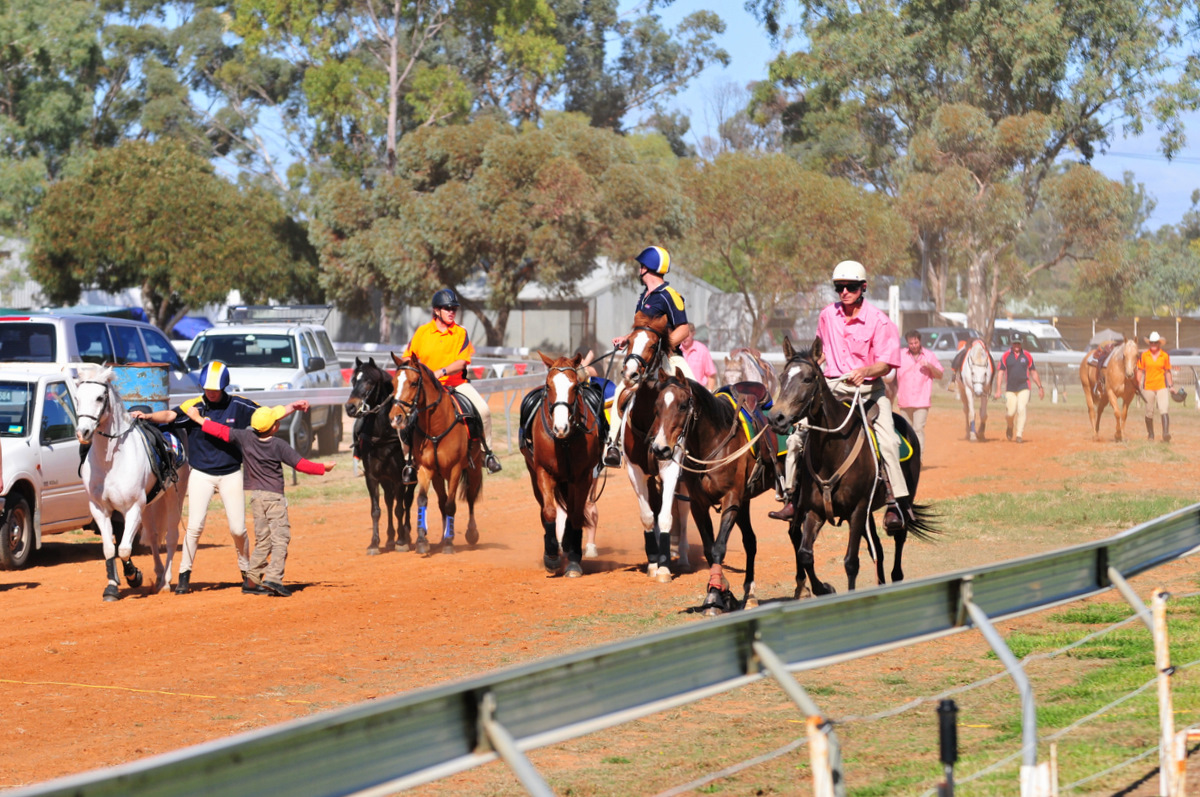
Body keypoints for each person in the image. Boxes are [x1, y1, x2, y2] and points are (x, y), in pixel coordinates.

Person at [770, 260, 910, 534]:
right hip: (833, 387)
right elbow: (820, 352)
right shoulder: (827, 315)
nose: (844, 292)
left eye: (851, 287)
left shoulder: (880, 321)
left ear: (863, 288)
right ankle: (792, 496)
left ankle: (894, 502)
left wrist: (865, 370)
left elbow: (887, 362)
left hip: (868, 390)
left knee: (889, 441)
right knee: (798, 437)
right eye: (839, 287)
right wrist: (808, 365)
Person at [131, 361, 260, 594]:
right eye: (207, 388)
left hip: (231, 473)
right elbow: (170, 415)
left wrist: (288, 409)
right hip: (201, 474)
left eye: (215, 388)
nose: (210, 392)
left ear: (224, 387)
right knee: (194, 527)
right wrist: (148, 416)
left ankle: (247, 571)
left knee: (238, 529)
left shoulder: (239, 406)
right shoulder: (194, 407)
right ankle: (183, 575)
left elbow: (264, 415)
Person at [182, 401, 335, 596]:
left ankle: (252, 580)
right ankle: (273, 578)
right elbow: (301, 465)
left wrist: (197, 419)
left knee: (263, 540)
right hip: (274, 498)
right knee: (280, 539)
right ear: (274, 427)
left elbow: (220, 430)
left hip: (256, 498)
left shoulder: (245, 437)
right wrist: (324, 468)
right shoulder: (279, 445)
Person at [603, 245, 694, 467]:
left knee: (698, 390)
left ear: (646, 268)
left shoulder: (670, 296)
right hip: (646, 361)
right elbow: (643, 331)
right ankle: (613, 444)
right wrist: (627, 339)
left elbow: (683, 329)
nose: (639, 269)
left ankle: (698, 446)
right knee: (619, 390)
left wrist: (662, 348)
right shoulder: (644, 297)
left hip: (670, 358)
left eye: (640, 266)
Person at [402, 288, 502, 475]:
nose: (451, 312)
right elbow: (408, 358)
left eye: (454, 308)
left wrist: (441, 371)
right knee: (402, 417)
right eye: (447, 308)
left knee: (484, 411)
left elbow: (462, 361)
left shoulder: (460, 333)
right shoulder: (422, 333)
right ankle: (408, 462)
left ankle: (486, 454)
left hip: (456, 385)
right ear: (436, 311)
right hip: (427, 388)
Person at [896, 329, 944, 454]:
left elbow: (940, 374)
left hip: (921, 401)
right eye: (911, 343)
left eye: (916, 343)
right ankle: (908, 458)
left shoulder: (929, 356)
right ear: (907, 343)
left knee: (918, 429)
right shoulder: (900, 355)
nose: (914, 346)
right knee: (906, 430)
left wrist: (930, 366)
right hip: (904, 400)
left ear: (920, 341)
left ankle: (919, 459)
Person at [993, 333, 1044, 443]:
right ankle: (1010, 426)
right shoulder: (1006, 355)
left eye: (1018, 343)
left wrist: (1040, 387)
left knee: (1021, 408)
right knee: (1010, 413)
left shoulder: (1027, 356)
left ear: (1021, 344)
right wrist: (998, 390)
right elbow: (1000, 373)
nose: (1016, 345)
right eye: (1015, 343)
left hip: (1024, 387)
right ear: (1011, 343)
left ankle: (1019, 434)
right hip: (1010, 389)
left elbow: (1033, 372)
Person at [1137, 331, 1175, 442]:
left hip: (1161, 386)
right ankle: (1151, 434)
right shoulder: (1144, 356)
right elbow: (1140, 371)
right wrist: (1137, 384)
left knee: (1164, 409)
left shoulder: (1164, 355)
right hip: (1148, 387)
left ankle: (1165, 433)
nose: (1153, 345)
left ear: (1159, 343)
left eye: (1155, 343)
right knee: (1149, 412)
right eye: (1151, 343)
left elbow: (1168, 372)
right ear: (1149, 344)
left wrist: (1171, 385)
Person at [681, 323, 718, 391]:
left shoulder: (702, 350)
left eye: (687, 335)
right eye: (682, 335)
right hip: (680, 391)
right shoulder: (676, 350)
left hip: (698, 392)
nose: (684, 338)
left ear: (693, 333)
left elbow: (711, 374)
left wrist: (709, 392)